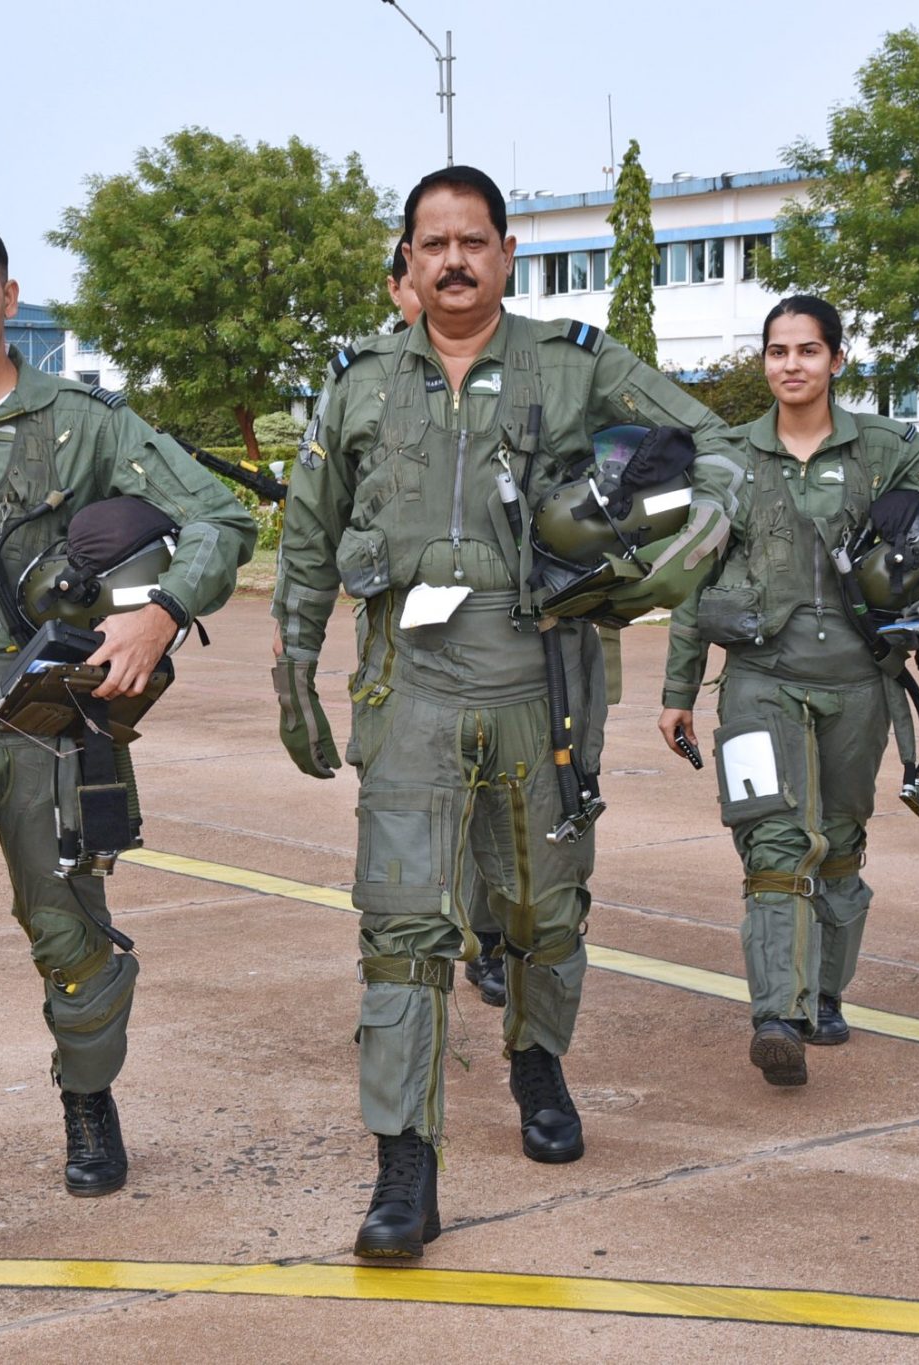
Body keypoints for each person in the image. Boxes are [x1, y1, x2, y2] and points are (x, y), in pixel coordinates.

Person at [272, 165, 740, 1259]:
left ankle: (536, 1061)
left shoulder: (574, 366)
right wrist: (292, 662)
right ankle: (404, 1165)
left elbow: (714, 450)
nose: (453, 261)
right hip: (408, 694)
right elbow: (307, 534)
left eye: (472, 241)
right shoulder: (358, 384)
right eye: (432, 243)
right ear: (408, 256)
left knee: (543, 914)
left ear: (506, 254)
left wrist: (682, 552)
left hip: (542, 688)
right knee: (400, 931)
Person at [0, 219, 256, 1301]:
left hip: (47, 718)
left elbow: (219, 515)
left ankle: (87, 1092)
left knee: (71, 943)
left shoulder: (82, 423)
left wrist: (162, 613)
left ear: (9, 298)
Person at [657, 296, 919, 1088]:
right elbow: (693, 575)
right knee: (774, 842)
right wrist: (680, 688)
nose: (792, 365)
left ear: (837, 359)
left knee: (841, 842)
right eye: (778, 351)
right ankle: (776, 1015)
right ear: (765, 362)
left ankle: (823, 991)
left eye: (807, 350)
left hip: (858, 682)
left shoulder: (884, 448)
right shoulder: (729, 458)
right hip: (759, 679)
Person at [381, 237, 508, 1007]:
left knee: (506, 800)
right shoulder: (373, 387)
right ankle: (426, 957)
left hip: (513, 640)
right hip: (412, 648)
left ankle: (491, 936)